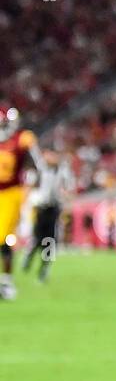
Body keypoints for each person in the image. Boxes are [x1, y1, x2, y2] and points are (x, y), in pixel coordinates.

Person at [0, 104, 41, 301]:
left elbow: (36, 165)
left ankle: (6, 282)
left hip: (10, 194)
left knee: (4, 238)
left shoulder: (21, 140)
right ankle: (6, 282)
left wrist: (31, 183)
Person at [22, 148, 71, 284]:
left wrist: (66, 200)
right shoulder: (38, 168)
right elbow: (29, 186)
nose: (53, 158)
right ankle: (29, 256)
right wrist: (25, 205)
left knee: (49, 240)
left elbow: (68, 188)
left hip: (53, 208)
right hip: (39, 208)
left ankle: (44, 269)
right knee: (37, 238)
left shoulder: (62, 170)